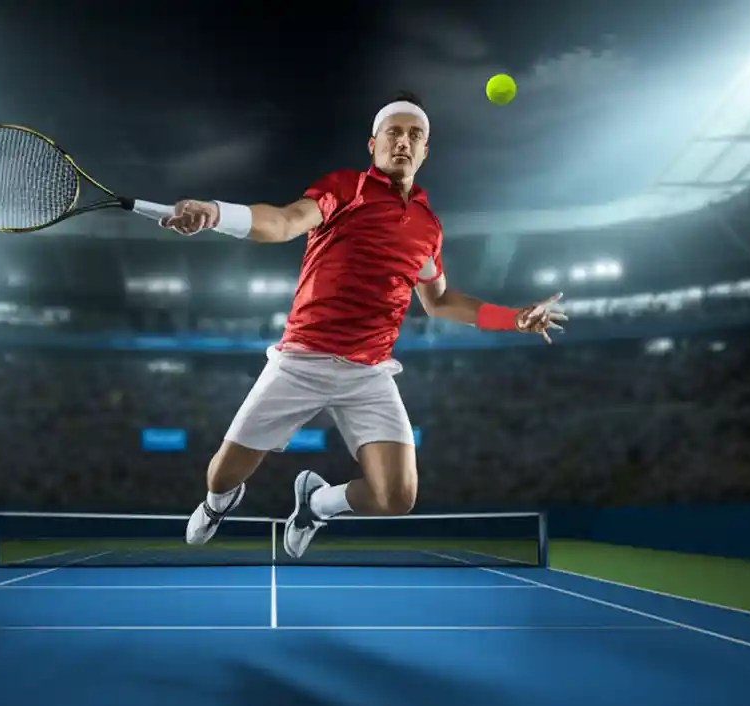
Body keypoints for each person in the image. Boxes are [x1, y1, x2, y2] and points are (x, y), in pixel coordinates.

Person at [161, 92, 566, 558]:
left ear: (425, 150)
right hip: (300, 361)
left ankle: (317, 503)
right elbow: (284, 221)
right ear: (372, 144)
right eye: (393, 132)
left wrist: (514, 318)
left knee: (398, 498)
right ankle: (217, 505)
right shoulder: (344, 189)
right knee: (221, 474)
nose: (403, 142)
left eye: (415, 135)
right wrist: (216, 213)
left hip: (368, 372)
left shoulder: (428, 228)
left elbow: (440, 302)